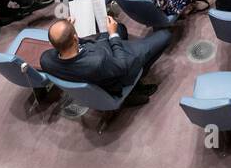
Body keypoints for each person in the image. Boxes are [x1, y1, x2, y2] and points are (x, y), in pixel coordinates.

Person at [40, 15, 171, 105]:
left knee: (120, 27)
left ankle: (116, 34)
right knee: (165, 35)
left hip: (98, 57)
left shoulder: (45, 60)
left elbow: (62, 45)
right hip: (117, 66)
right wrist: (113, 36)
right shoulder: (97, 62)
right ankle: (136, 81)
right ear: (75, 38)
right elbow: (122, 65)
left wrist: (68, 29)